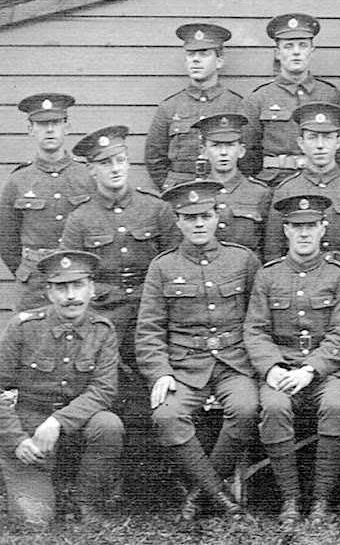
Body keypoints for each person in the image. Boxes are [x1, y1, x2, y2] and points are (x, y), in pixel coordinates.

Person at [134, 181, 261, 521]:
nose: (199, 224)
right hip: (185, 367)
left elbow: (259, 320)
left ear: (217, 216)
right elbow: (149, 331)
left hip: (235, 363)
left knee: (246, 408)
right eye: (190, 218)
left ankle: (197, 494)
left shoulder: (243, 259)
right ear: (177, 222)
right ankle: (220, 498)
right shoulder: (162, 267)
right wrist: (160, 373)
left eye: (205, 215)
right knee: (166, 416)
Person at [59, 126, 177, 443]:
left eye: (121, 160)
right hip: (102, 317)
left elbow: (174, 267)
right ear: (92, 169)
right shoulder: (80, 218)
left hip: (150, 315)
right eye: (106, 163)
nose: (115, 169)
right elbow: (71, 279)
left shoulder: (156, 209)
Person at [242, 194, 340, 525]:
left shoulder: (339, 275)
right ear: (286, 231)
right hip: (281, 367)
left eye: (311, 226)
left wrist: (311, 370)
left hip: (327, 371)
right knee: (274, 408)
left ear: (323, 229)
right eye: (296, 227)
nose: (304, 234)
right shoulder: (268, 275)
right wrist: (272, 367)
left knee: (335, 406)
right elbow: (256, 331)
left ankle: (321, 500)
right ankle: (289, 498)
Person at [0, 251, 122, 526]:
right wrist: (16, 440)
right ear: (49, 292)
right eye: (62, 287)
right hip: (28, 426)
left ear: (92, 289)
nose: (71, 296)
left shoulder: (102, 330)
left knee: (109, 425)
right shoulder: (23, 327)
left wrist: (57, 421)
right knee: (35, 522)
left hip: (77, 422)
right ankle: (45, 494)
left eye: (78, 285)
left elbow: (103, 390)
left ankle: (86, 501)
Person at [0, 94, 93, 311]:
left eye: (56, 123)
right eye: (42, 124)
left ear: (67, 127)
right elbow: (6, 238)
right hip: (34, 282)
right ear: (30, 129)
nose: (49, 130)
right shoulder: (17, 180)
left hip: (78, 276)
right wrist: (28, 270)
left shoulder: (87, 176)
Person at [266, 102, 340, 267]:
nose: (320, 145)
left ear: (339, 142)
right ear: (301, 143)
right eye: (312, 137)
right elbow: (273, 250)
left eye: (327, 137)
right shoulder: (287, 190)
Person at [239, 13, 340, 185]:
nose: (296, 52)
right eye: (288, 46)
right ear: (277, 53)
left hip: (322, 182)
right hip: (275, 182)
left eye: (302, 46)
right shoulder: (258, 99)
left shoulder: (331, 95)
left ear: (312, 51)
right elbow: (247, 153)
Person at [145, 23, 243, 190]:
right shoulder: (169, 107)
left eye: (204, 54)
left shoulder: (237, 104)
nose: (196, 59)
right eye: (191, 54)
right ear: (185, 62)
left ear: (219, 61)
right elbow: (154, 158)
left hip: (222, 188)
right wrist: (172, 188)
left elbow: (248, 156)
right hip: (180, 189)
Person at [192, 113, 272, 254]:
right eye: (216, 146)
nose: (224, 153)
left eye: (230, 146)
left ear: (241, 151)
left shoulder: (260, 193)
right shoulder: (194, 192)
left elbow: (268, 245)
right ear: (203, 151)